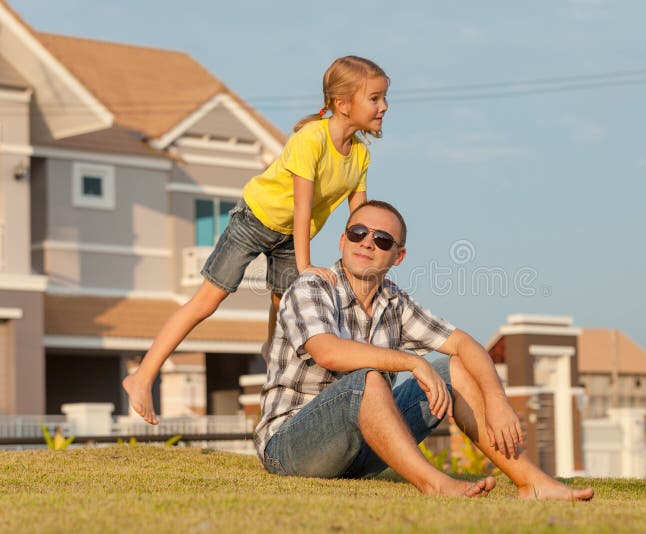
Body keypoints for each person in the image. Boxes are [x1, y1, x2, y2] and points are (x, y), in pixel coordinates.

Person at [254, 200, 595, 500]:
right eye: (358, 233)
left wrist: (497, 400)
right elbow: (327, 351)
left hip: (356, 452)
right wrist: (412, 362)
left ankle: (532, 483)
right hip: (290, 447)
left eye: (382, 239)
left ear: (398, 256)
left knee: (456, 368)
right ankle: (434, 483)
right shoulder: (311, 287)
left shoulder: (394, 302)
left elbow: (464, 343)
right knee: (368, 379)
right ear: (343, 241)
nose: (367, 242)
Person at [123, 56, 390, 425]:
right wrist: (305, 266)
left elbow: (359, 218)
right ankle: (141, 377)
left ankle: (272, 365)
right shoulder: (310, 139)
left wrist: (365, 266)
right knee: (206, 302)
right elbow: (301, 205)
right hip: (255, 220)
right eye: (375, 98)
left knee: (285, 312)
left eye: (383, 98)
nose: (383, 106)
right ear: (343, 104)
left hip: (291, 237)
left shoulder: (359, 155)